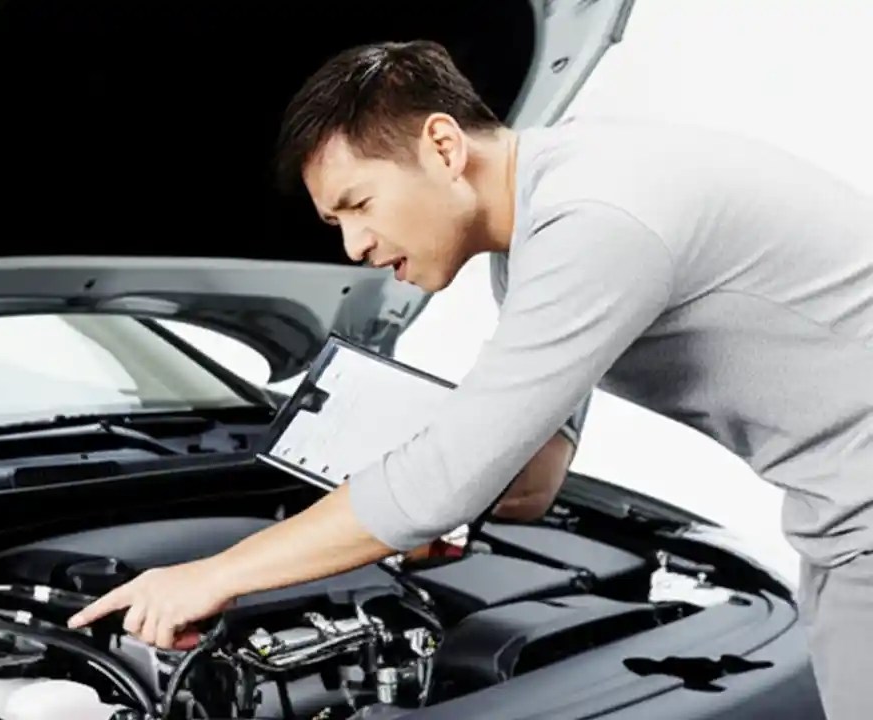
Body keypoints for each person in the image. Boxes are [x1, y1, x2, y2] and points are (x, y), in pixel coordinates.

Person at [68, 39, 873, 717]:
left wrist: (213, 577)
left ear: (443, 146)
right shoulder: (538, 237)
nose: (353, 247)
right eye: (335, 223)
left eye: (358, 204)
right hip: (843, 518)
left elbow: (440, 483)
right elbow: (532, 482)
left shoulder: (596, 219)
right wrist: (423, 510)